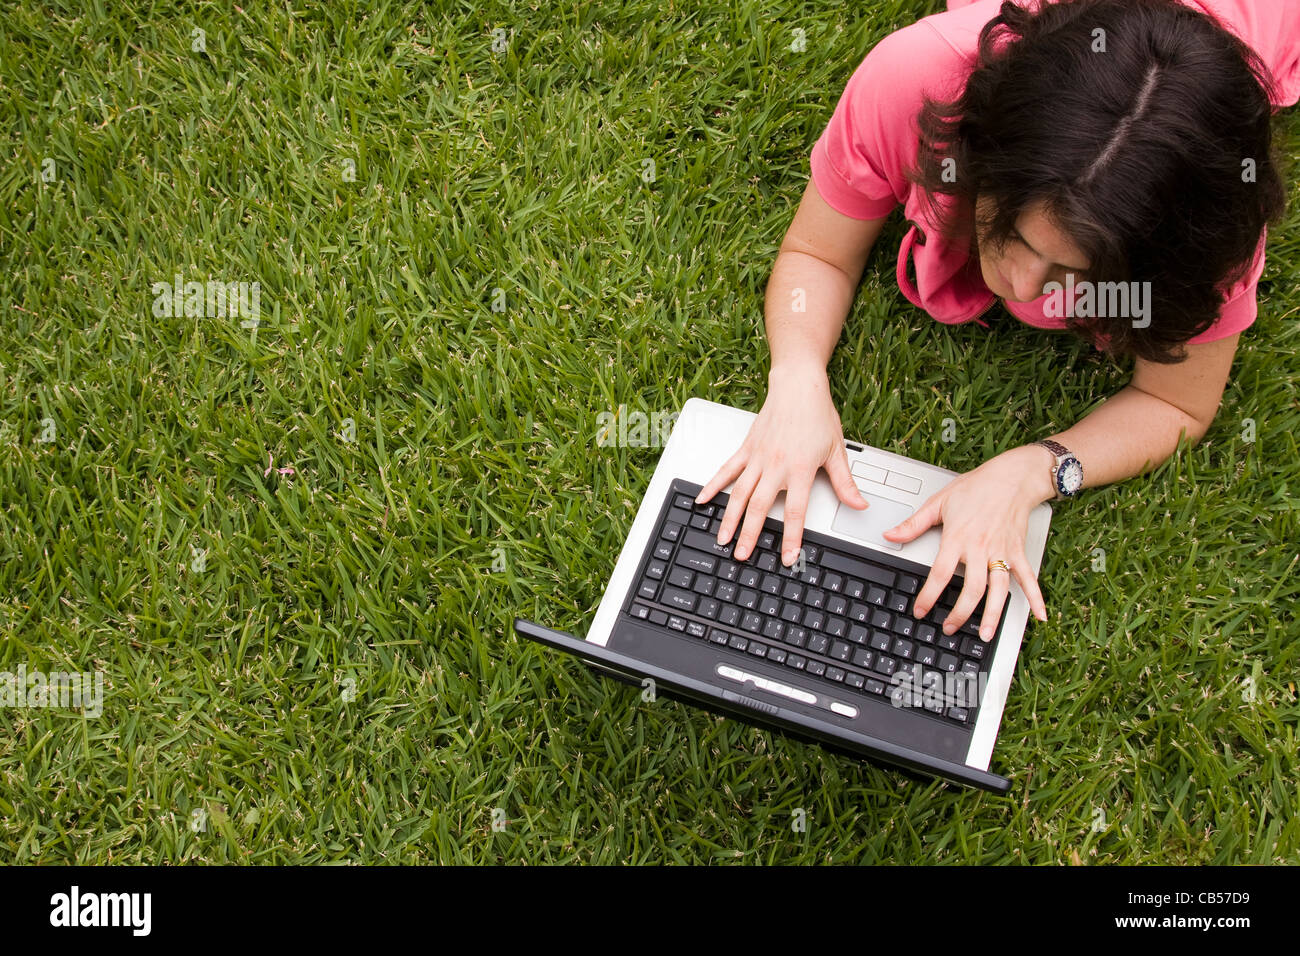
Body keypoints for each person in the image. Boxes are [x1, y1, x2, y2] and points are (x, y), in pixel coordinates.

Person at [695, 0, 1298, 644]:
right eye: (1013, 231)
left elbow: (1175, 401)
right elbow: (817, 254)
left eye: (1074, 274)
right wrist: (796, 378)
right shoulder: (915, 79)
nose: (1022, 286)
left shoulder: (1207, 216)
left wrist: (1036, 469)